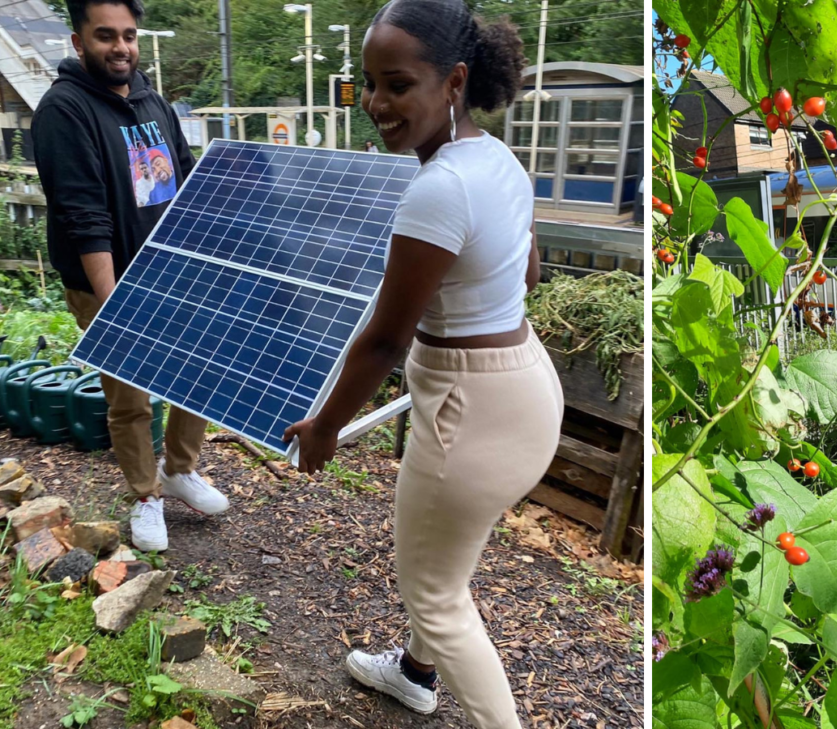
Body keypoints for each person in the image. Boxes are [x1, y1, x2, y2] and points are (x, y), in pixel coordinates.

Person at [283, 1, 559, 725]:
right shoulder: (495, 158)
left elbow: (384, 339)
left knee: (436, 597)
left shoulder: (437, 189)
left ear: (454, 81)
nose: (377, 103)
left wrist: (325, 428)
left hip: (472, 414)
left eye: (397, 85)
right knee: (446, 560)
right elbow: (527, 273)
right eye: (370, 84)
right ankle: (412, 673)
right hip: (525, 390)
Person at [32, 0, 230, 553]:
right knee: (131, 396)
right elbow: (82, 214)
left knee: (198, 374)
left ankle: (180, 470)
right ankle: (145, 494)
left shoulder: (151, 100)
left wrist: (213, 255)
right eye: (105, 36)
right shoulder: (64, 111)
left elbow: (188, 180)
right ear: (78, 41)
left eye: (129, 35)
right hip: (105, 279)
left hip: (167, 268)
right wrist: (112, 303)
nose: (121, 47)